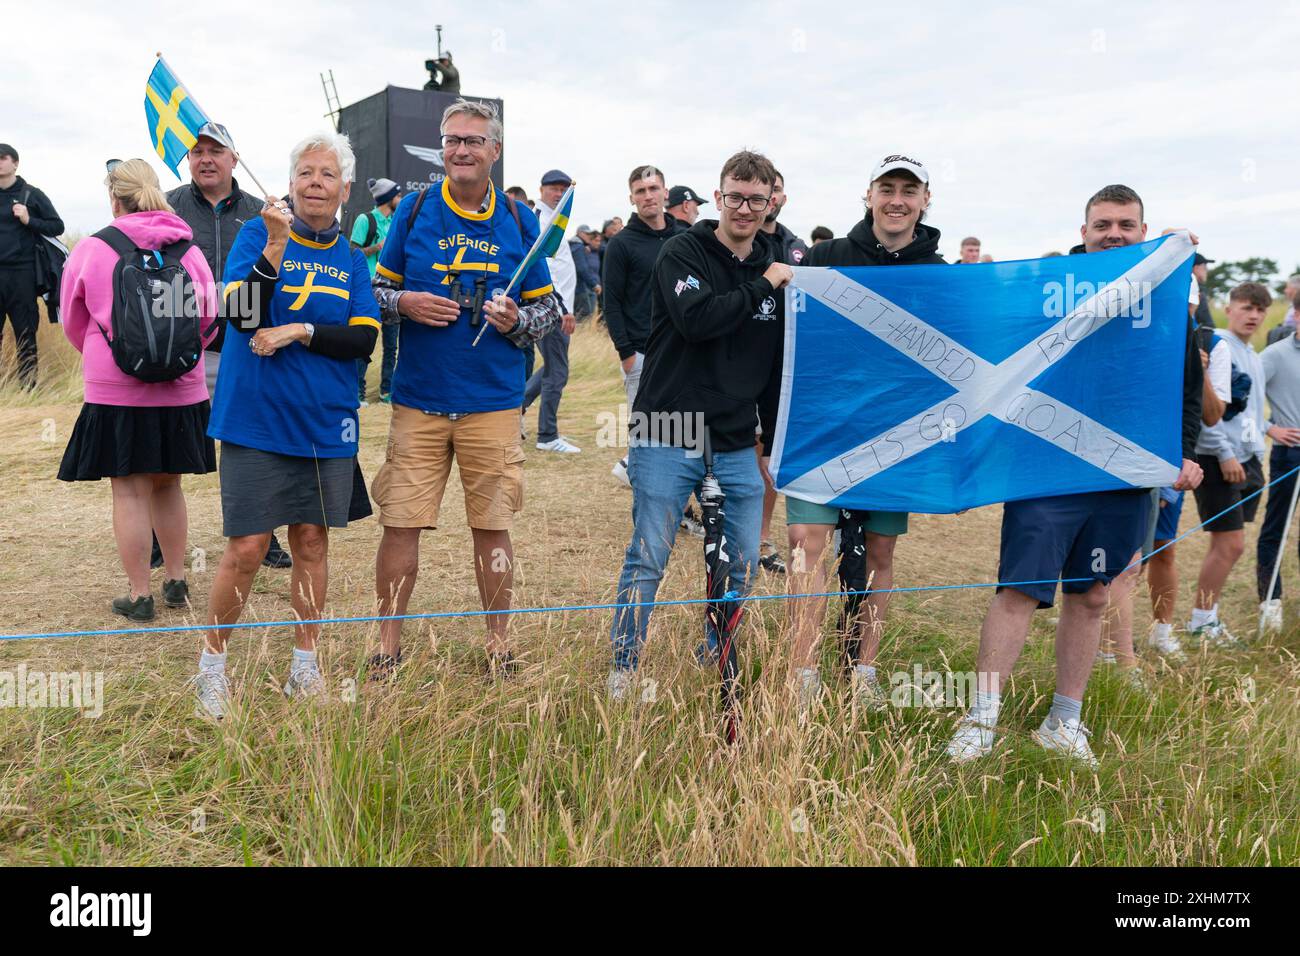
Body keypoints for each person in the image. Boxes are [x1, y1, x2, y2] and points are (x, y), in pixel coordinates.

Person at [946, 184, 1205, 768]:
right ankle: (980, 718)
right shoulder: (1052, 288)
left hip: (1123, 477)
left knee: (1091, 596)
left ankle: (1065, 720)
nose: (1114, 234)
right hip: (1048, 470)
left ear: (1145, 231)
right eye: (1103, 224)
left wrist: (1180, 454)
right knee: (1019, 589)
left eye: (1127, 225)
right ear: (1084, 231)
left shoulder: (1165, 300)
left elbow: (1185, 392)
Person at [369, 99, 562, 679]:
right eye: (452, 140)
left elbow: (549, 310)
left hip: (493, 402)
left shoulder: (520, 219)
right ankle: (386, 646)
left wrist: (516, 322)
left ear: (494, 152)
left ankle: (499, 645)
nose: (461, 150)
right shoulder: (415, 209)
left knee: (492, 525)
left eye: (474, 141)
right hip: (419, 399)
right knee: (400, 522)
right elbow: (376, 291)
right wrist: (404, 302)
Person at [193, 132, 381, 719]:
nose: (315, 183)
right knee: (247, 548)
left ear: (345, 189)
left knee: (311, 542)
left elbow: (364, 339)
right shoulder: (257, 233)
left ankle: (305, 665)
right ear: (291, 183)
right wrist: (275, 247)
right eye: (305, 173)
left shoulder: (352, 257)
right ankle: (211, 667)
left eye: (327, 174)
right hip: (255, 419)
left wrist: (299, 331)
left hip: (325, 423)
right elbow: (240, 315)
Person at [607, 149, 791, 699]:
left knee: (741, 561)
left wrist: (771, 437)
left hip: (736, 436)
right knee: (649, 554)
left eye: (756, 200)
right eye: (734, 196)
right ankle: (624, 664)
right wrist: (764, 285)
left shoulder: (777, 262)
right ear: (717, 198)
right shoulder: (680, 250)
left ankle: (716, 651)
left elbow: (775, 362)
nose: (744, 208)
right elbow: (698, 319)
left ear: (770, 203)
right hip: (672, 425)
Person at [786, 154, 946, 708]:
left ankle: (864, 671)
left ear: (926, 199)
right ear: (869, 194)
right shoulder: (827, 257)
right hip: (824, 430)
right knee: (808, 545)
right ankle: (802, 671)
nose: (897, 199)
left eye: (909, 189)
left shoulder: (940, 272)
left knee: (880, 550)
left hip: (897, 434)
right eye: (887, 188)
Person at [57, 158, 218, 621]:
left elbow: (73, 318)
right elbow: (206, 319)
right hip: (182, 388)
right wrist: (181, 359)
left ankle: (139, 594)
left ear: (115, 198)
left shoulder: (92, 248)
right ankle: (176, 580)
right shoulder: (188, 249)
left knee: (129, 491)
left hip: (116, 389)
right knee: (169, 485)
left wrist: (100, 356)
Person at [166, 123, 292, 571]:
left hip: (244, 347)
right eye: (197, 151)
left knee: (253, 444)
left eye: (215, 151)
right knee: (174, 443)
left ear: (234, 159)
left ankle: (265, 534)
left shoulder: (263, 211)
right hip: (183, 348)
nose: (205, 158)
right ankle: (164, 542)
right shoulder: (169, 206)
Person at [1187, 282, 1273, 645]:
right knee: (1230, 544)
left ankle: (1210, 616)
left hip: (1246, 458)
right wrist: (1224, 453)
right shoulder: (1219, 344)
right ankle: (1201, 622)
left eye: (1260, 309)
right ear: (1229, 307)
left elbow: (1251, 411)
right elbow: (1210, 412)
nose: (1253, 315)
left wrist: (1259, 447)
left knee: (1230, 544)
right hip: (1219, 457)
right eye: (1246, 307)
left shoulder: (1252, 354)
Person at [602, 165, 683, 488]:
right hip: (641, 356)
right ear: (632, 198)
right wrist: (627, 355)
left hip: (683, 354)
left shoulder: (684, 237)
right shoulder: (622, 244)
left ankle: (678, 503)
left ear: (665, 192)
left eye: (653, 189)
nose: (648, 196)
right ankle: (646, 503)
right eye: (640, 191)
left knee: (681, 432)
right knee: (647, 435)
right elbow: (612, 303)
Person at [754, 168, 809, 576]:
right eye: (764, 191)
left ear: (782, 197)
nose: (770, 197)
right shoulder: (740, 241)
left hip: (784, 368)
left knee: (770, 458)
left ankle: (759, 536)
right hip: (740, 364)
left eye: (776, 190)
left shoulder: (798, 247)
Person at [523, 169, 580, 453]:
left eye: (563, 189)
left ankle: (515, 409)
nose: (558, 194)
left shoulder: (554, 220)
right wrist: (563, 309)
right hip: (553, 310)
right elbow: (544, 273)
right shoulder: (540, 223)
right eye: (553, 189)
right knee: (557, 373)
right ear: (542, 190)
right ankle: (547, 436)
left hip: (560, 308)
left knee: (552, 368)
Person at [0, 143, 64, 389]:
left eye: (3, 157)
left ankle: (28, 389)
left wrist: (29, 219)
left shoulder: (31, 194)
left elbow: (56, 226)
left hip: (22, 275)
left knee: (25, 334)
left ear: (15, 163)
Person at [1256, 311, 1300, 631]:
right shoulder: (1274, 355)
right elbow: (1241, 400)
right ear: (1296, 314)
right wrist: (1270, 428)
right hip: (1289, 454)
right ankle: (1270, 605)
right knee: (1276, 530)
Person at [349, 176, 402, 404]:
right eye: (397, 195)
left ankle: (386, 391)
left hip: (392, 290)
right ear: (388, 198)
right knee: (364, 342)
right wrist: (376, 248)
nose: (401, 199)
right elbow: (353, 252)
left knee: (391, 345)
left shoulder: (396, 221)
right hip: (368, 289)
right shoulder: (366, 219)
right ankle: (358, 394)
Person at [569, 224, 601, 320]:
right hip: (579, 287)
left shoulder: (573, 245)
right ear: (579, 233)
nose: (589, 236)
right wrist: (594, 284)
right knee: (584, 317)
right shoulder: (578, 247)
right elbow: (581, 269)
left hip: (572, 287)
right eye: (587, 234)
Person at [1265, 277, 1300, 345]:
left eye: (1287, 287)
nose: (1285, 291)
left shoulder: (1295, 308)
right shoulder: (1291, 306)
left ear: (1295, 289)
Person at [1192, 252, 1215, 329]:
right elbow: (1208, 326)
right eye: (1204, 267)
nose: (1207, 271)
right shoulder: (1198, 293)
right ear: (1195, 268)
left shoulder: (1180, 290)